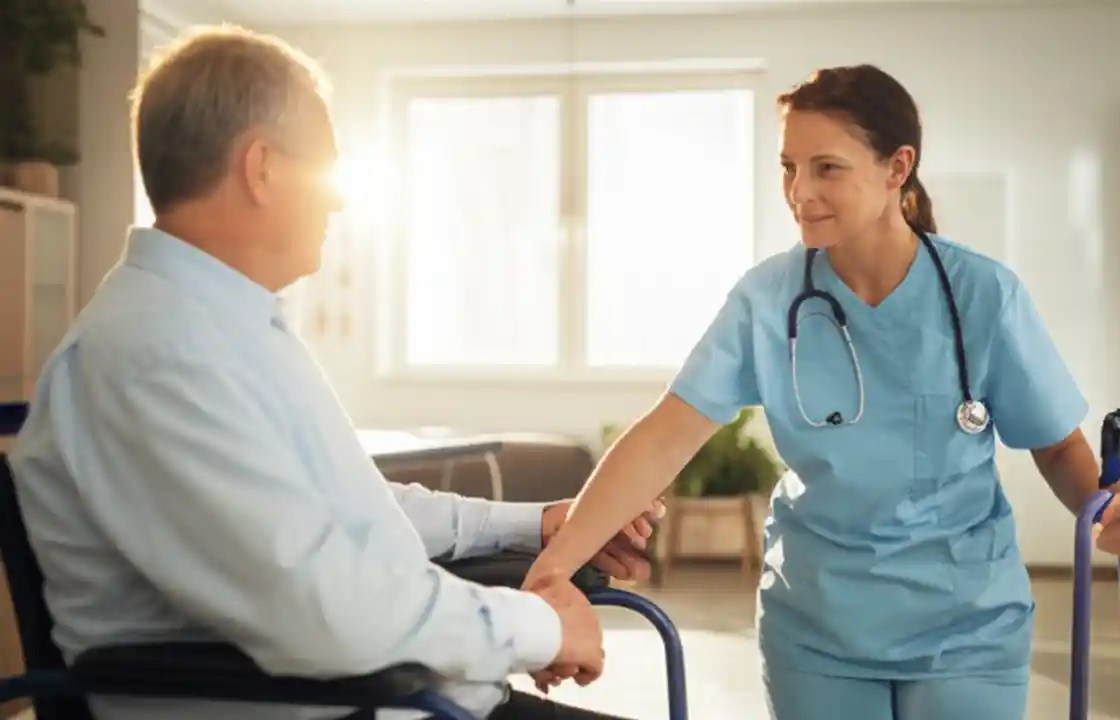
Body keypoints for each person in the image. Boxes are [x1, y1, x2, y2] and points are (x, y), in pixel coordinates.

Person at [8, 25, 656, 720]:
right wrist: (538, 627)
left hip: (416, 701)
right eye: (327, 168)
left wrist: (536, 524)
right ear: (262, 168)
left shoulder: (219, 328)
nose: (339, 200)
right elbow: (325, 609)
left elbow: (354, 511)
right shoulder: (152, 356)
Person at [522, 65, 1120, 720]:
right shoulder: (767, 299)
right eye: (788, 167)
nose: (800, 192)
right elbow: (665, 435)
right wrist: (554, 569)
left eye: (826, 168)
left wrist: (1103, 504)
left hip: (965, 627)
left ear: (897, 167)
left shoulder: (983, 294)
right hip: (817, 629)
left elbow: (1055, 445)